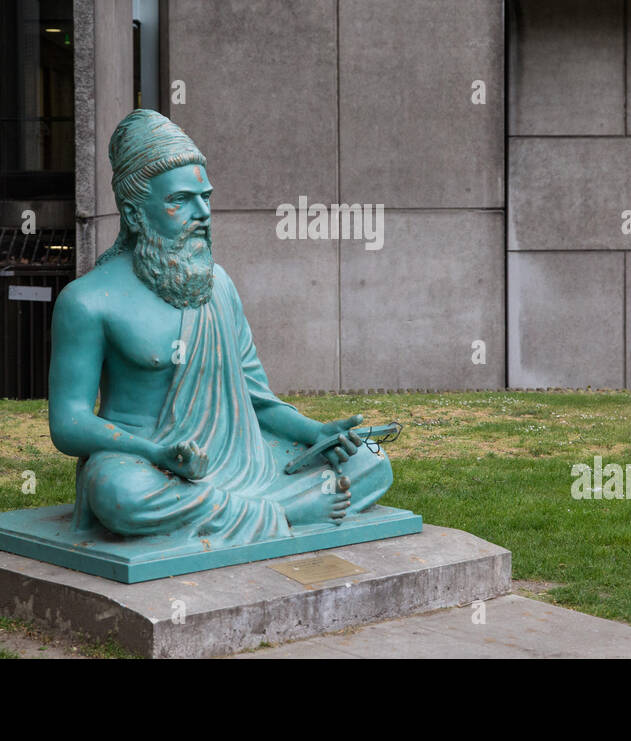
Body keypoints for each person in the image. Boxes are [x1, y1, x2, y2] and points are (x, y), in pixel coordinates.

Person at [47, 109, 394, 548]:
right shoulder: (87, 301)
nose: (202, 213)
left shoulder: (217, 284)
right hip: (143, 462)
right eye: (181, 201)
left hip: (243, 461)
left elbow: (258, 401)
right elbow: (69, 423)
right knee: (118, 495)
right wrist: (156, 453)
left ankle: (245, 511)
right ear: (134, 214)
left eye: (205, 197)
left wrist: (315, 432)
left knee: (371, 460)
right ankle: (281, 513)